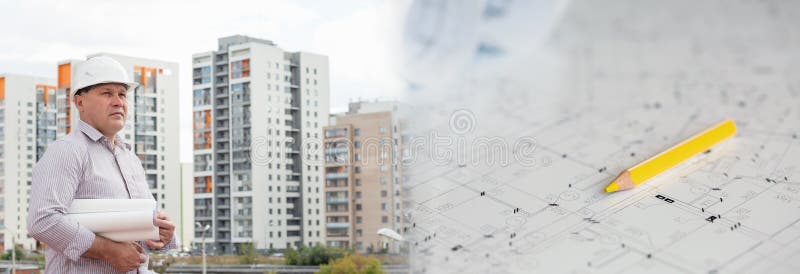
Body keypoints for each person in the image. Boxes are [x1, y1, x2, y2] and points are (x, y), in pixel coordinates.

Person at [27, 56, 177, 273]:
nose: (118, 101)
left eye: (122, 94)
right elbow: (42, 220)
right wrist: (110, 251)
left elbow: (138, 229)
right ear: (80, 102)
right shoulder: (67, 151)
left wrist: (163, 234)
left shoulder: (130, 159)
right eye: (107, 93)